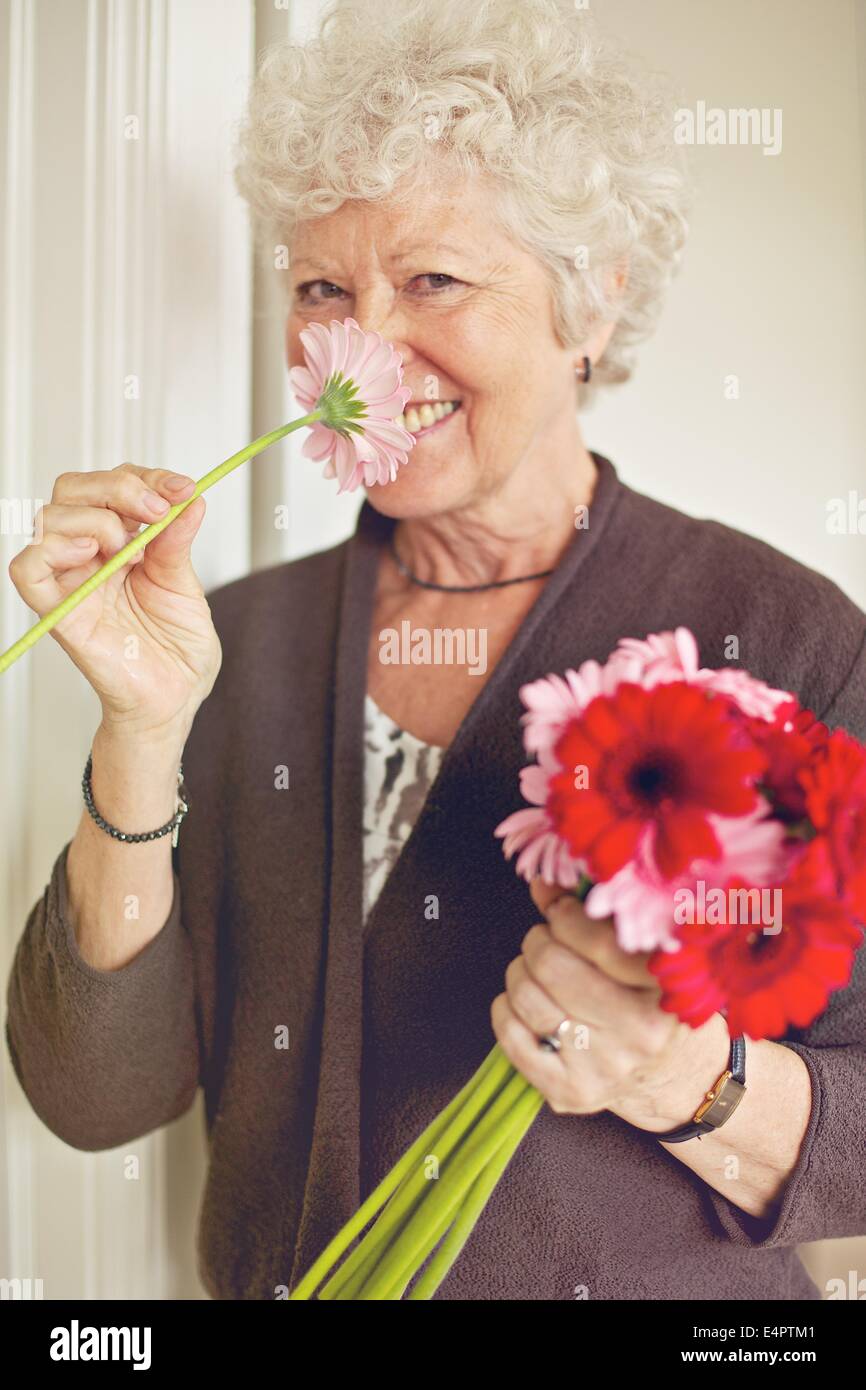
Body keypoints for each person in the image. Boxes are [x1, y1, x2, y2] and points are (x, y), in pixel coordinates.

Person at [6, 0, 866, 1300]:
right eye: (319, 289)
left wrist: (690, 1080)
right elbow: (93, 1096)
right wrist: (139, 733)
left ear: (592, 303)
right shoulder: (233, 640)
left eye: (433, 281)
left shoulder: (791, 640)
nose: (363, 344)